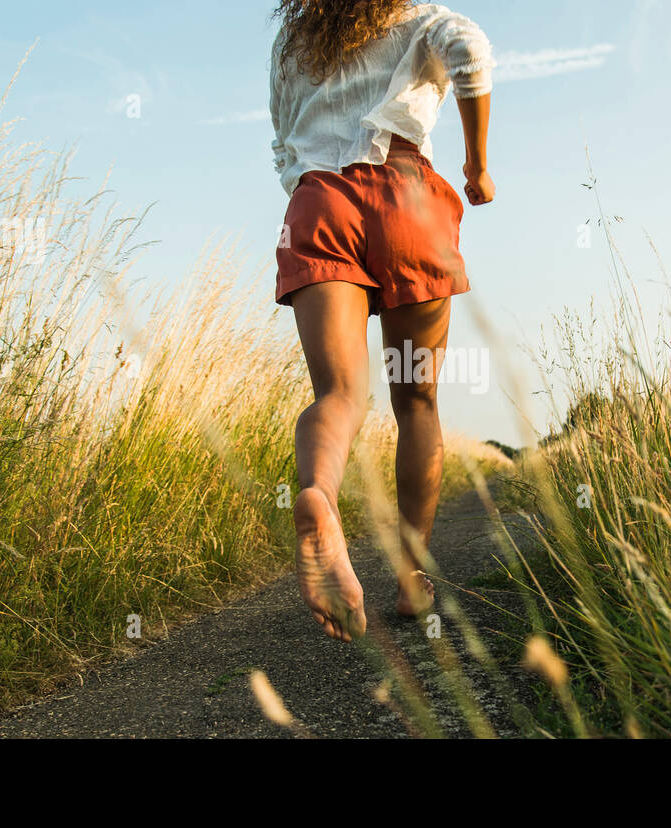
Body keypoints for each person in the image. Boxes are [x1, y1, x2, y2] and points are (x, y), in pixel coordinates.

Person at [268, 1, 495, 642]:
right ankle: (410, 579)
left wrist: (311, 187)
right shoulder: (419, 16)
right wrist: (477, 164)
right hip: (406, 198)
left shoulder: (296, 36)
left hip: (319, 204)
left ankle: (317, 493)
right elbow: (471, 52)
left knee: (339, 393)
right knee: (416, 399)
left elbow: (281, 140)